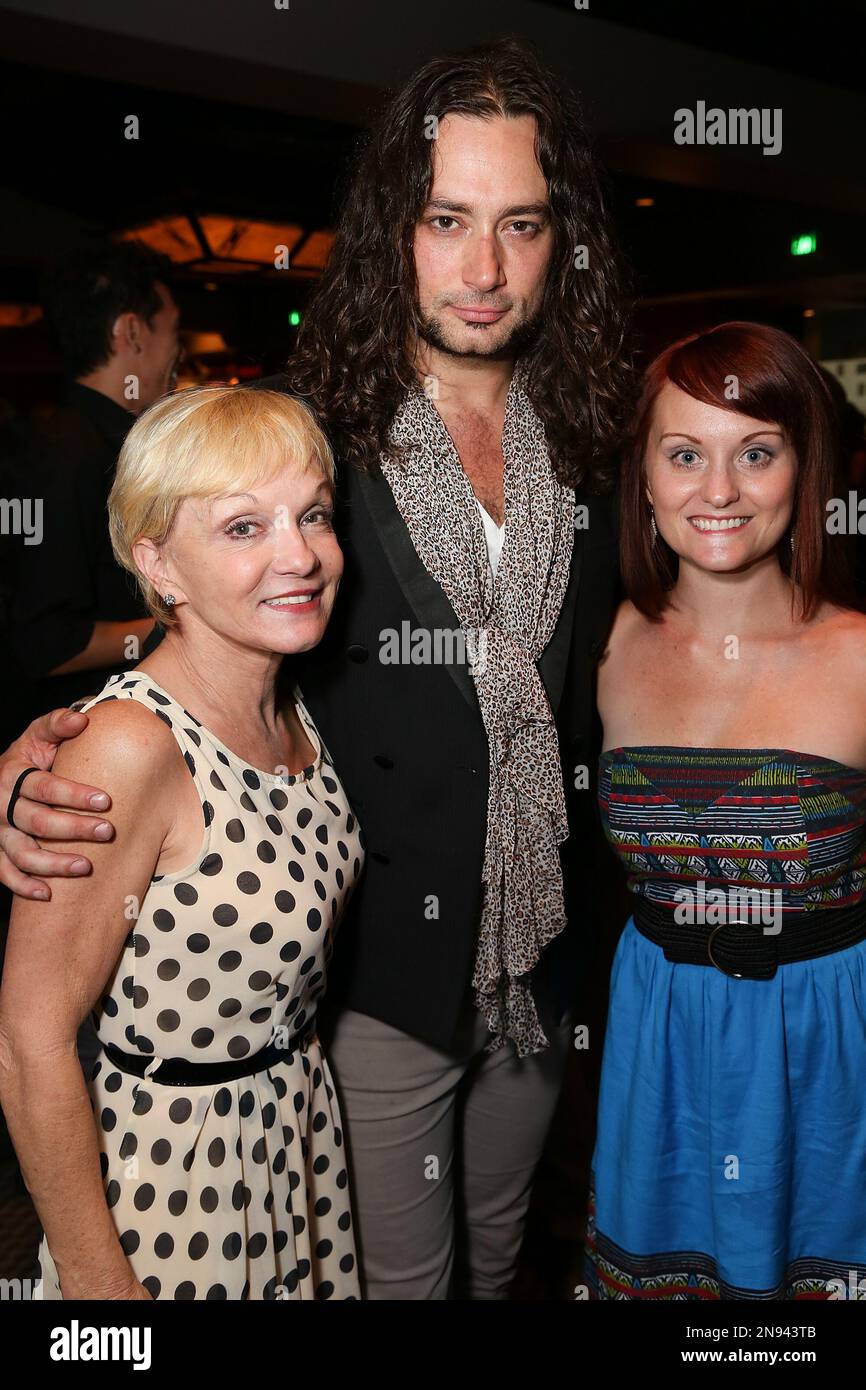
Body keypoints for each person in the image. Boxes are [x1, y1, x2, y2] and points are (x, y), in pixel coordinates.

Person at [0, 39, 631, 1299]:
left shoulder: (591, 443)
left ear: (564, 246)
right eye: (447, 220)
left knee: (500, 1260)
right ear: (394, 227)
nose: (484, 268)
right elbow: (198, 614)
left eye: (520, 225)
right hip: (368, 970)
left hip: (538, 959)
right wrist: (38, 748)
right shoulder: (303, 430)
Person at [0, 385, 363, 1300]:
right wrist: (96, 1282)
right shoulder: (128, 743)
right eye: (243, 528)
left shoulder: (296, 713)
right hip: (169, 1190)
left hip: (293, 1150)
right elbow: (28, 1041)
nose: (302, 555)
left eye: (312, 515)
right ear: (157, 562)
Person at [586, 321, 866, 1300]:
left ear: (802, 468)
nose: (716, 491)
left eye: (754, 452)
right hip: (656, 1035)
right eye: (682, 454)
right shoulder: (599, 638)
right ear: (643, 478)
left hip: (831, 1047)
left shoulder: (859, 653)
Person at [6, 239, 181, 717]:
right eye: (173, 331)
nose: (178, 351)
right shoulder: (69, 453)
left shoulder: (107, 441)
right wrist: (188, 622)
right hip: (83, 733)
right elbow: (47, 643)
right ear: (132, 332)